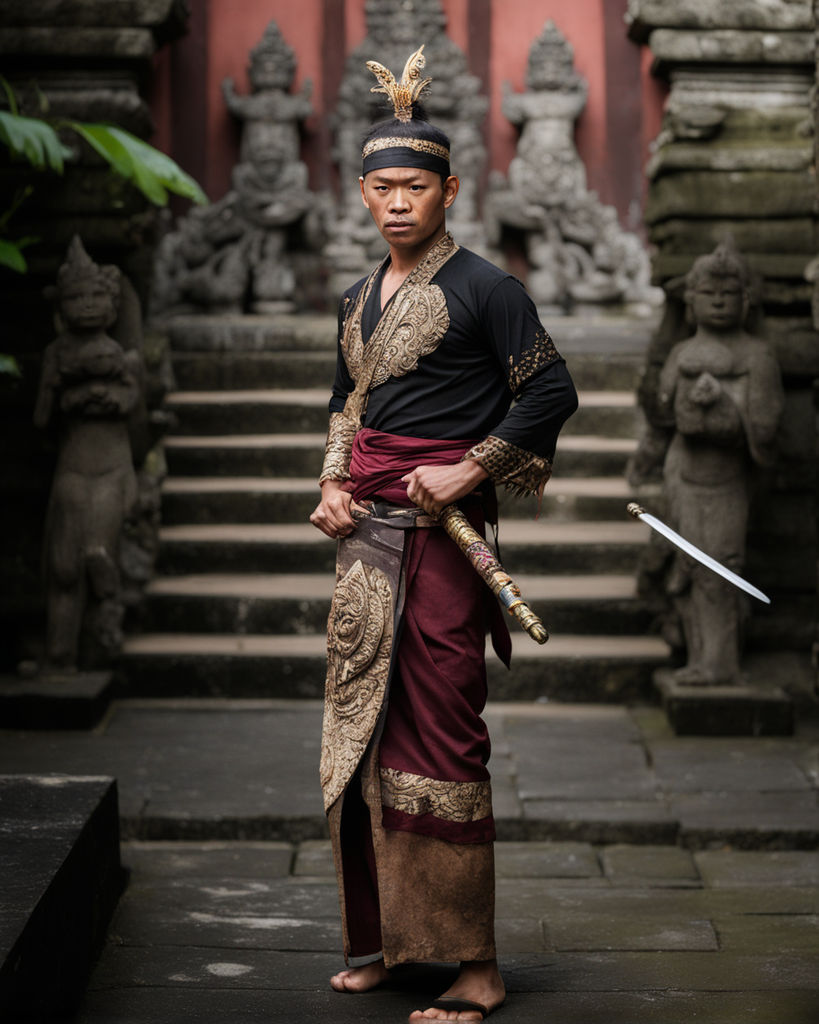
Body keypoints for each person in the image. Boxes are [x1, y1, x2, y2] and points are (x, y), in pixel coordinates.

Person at [309, 46, 577, 1022]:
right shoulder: (354, 299)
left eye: (413, 187)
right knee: (363, 733)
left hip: (444, 541)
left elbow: (552, 389)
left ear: (449, 189)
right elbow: (347, 404)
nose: (394, 204)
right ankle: (385, 939)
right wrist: (330, 484)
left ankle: (474, 964)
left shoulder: (488, 288)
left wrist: (471, 465)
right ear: (363, 191)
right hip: (367, 543)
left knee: (444, 730)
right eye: (380, 187)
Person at [656, 241, 783, 685]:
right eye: (709, 294)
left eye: (729, 294)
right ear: (691, 300)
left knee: (723, 566)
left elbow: (766, 426)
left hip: (729, 478)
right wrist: (689, 401)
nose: (719, 301)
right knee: (690, 568)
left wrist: (726, 407)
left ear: (747, 299)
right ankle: (698, 657)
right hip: (685, 472)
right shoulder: (680, 352)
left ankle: (721, 662)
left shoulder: (757, 356)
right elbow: (666, 408)